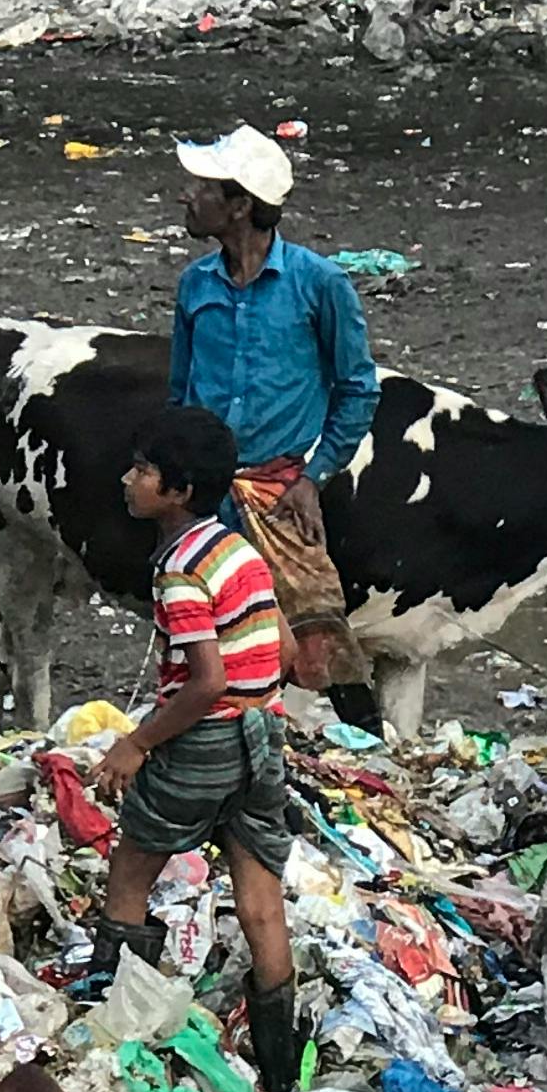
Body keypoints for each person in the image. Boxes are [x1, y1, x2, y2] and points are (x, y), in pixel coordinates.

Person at [87, 402, 305, 1092]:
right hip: (262, 735)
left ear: (177, 491)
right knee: (260, 899)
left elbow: (205, 681)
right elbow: (288, 648)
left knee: (128, 877)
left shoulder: (178, 568)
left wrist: (137, 745)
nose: (128, 479)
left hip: (203, 741)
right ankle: (281, 1070)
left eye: (143, 470)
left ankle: (115, 1036)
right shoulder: (237, 547)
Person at [168, 124, 380, 710]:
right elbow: (180, 398)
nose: (186, 195)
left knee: (317, 646)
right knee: (210, 645)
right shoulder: (194, 285)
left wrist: (314, 478)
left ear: (239, 206)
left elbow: (358, 390)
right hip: (208, 497)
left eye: (202, 187)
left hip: (279, 493)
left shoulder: (320, 285)